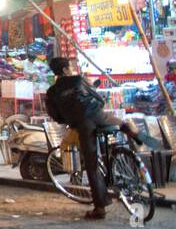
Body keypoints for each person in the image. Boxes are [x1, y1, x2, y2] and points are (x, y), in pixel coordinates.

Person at [45, 56, 142, 220]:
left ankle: (99, 208)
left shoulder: (52, 92)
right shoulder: (78, 80)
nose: (72, 69)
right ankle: (134, 139)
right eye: (70, 67)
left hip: (82, 125)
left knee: (92, 165)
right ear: (64, 70)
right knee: (119, 123)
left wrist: (71, 119)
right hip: (98, 117)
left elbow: (56, 115)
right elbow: (98, 99)